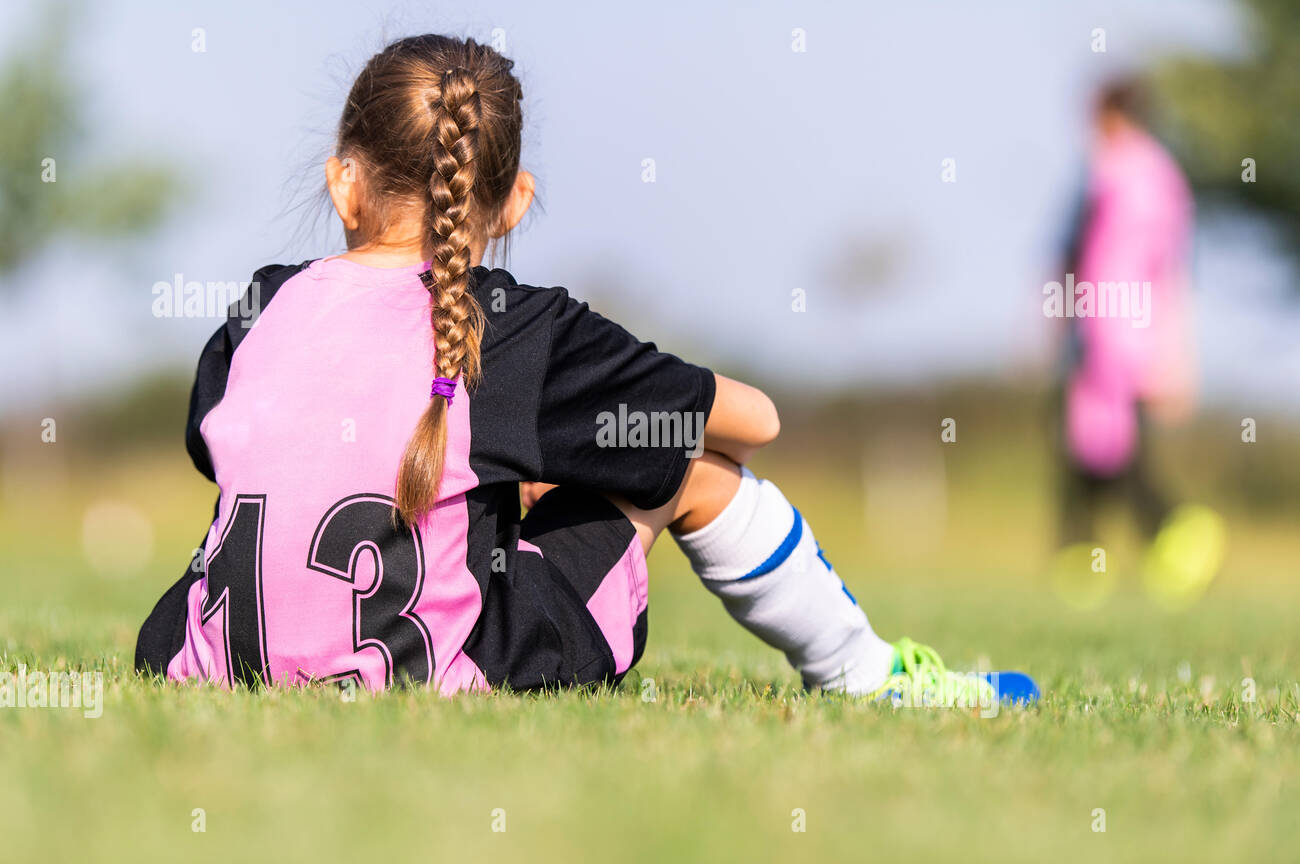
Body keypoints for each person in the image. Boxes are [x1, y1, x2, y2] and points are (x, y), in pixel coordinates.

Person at [137, 34, 1036, 704]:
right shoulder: (519, 329)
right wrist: (571, 446)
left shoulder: (263, 302)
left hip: (210, 656)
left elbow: (240, 453)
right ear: (515, 196)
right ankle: (866, 676)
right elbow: (755, 419)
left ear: (344, 181)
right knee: (691, 466)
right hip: (437, 668)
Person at [1053, 79, 1222, 607]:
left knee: (1101, 447)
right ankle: (1093, 554)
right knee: (1101, 448)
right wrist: (1173, 349)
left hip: (1109, 331)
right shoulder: (1166, 179)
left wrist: (1060, 317)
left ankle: (1171, 534)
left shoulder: (1113, 172)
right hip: (1134, 330)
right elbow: (1171, 271)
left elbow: (1079, 254)